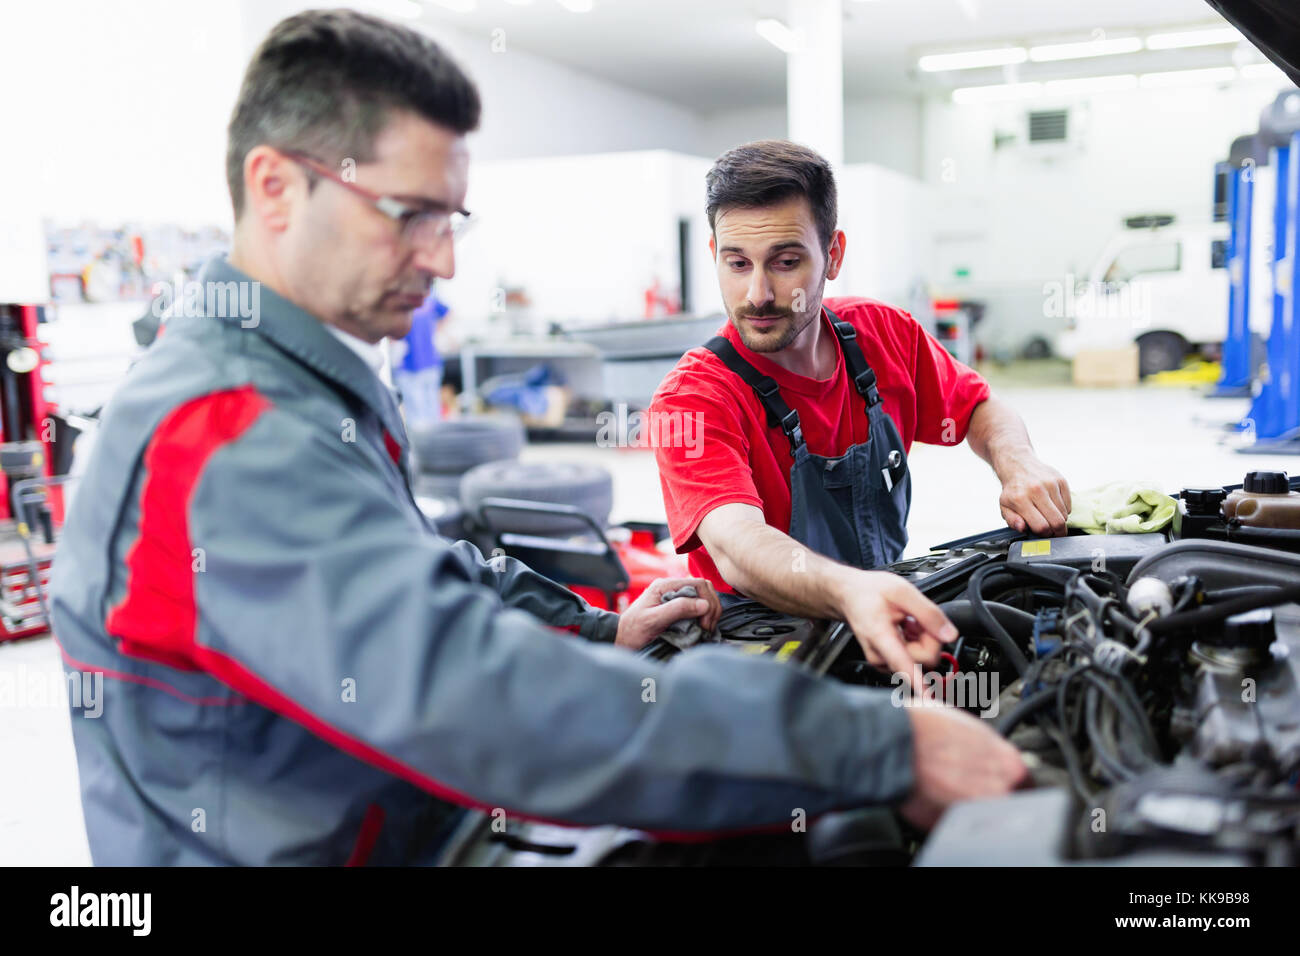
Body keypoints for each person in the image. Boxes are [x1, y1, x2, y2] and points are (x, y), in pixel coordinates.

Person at [50, 10, 1024, 865]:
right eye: (409, 215)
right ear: (274, 188)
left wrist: (595, 624)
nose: (440, 258)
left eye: (451, 218)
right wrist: (880, 749)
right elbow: (475, 697)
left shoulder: (284, 380)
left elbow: (415, 558)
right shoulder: (223, 430)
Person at [652, 140, 1073, 680]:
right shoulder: (694, 397)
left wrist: (1019, 463)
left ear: (833, 255)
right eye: (737, 263)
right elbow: (738, 547)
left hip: (880, 604)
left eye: (785, 262)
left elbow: (979, 407)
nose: (757, 293)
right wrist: (853, 591)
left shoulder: (884, 335)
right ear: (714, 254)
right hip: (761, 649)